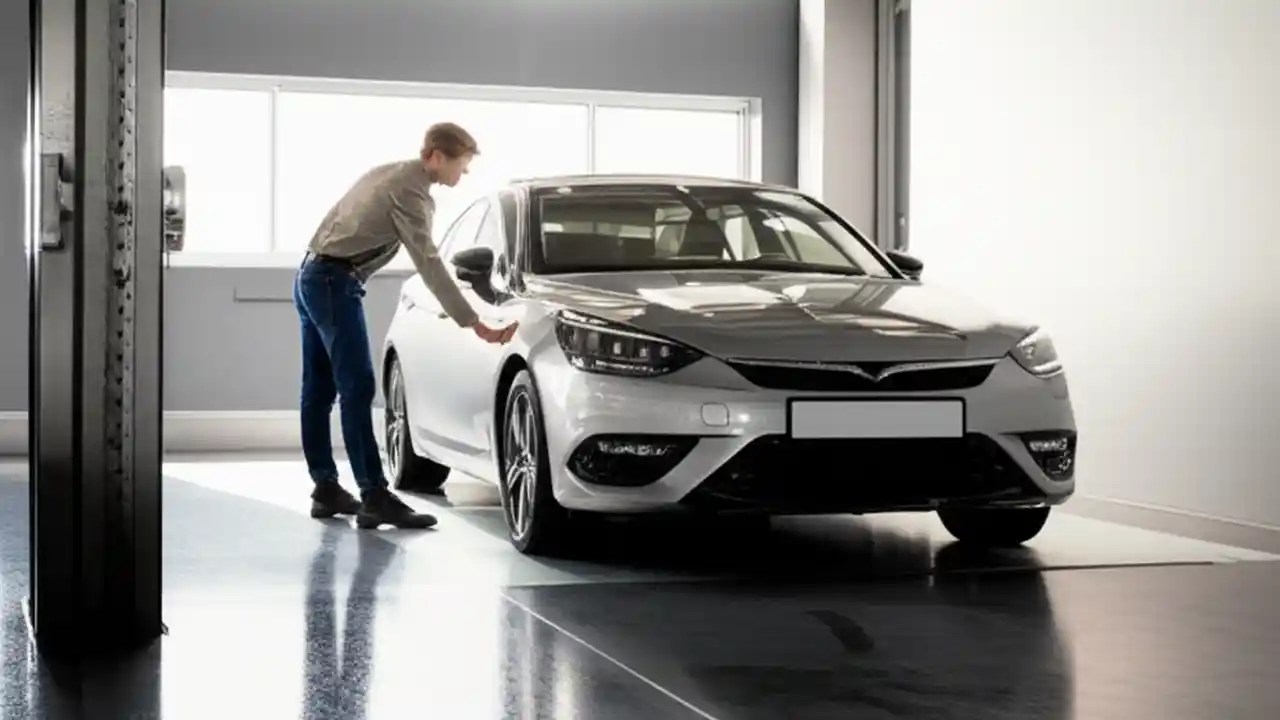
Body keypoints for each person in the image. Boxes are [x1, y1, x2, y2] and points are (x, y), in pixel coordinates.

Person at [292, 122, 516, 530]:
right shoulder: (412, 191)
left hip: (311, 274)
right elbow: (429, 261)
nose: (462, 173)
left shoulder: (392, 172)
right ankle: (374, 495)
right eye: (461, 163)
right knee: (357, 387)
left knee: (319, 389)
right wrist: (473, 322)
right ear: (436, 155)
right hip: (333, 282)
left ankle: (325, 488)